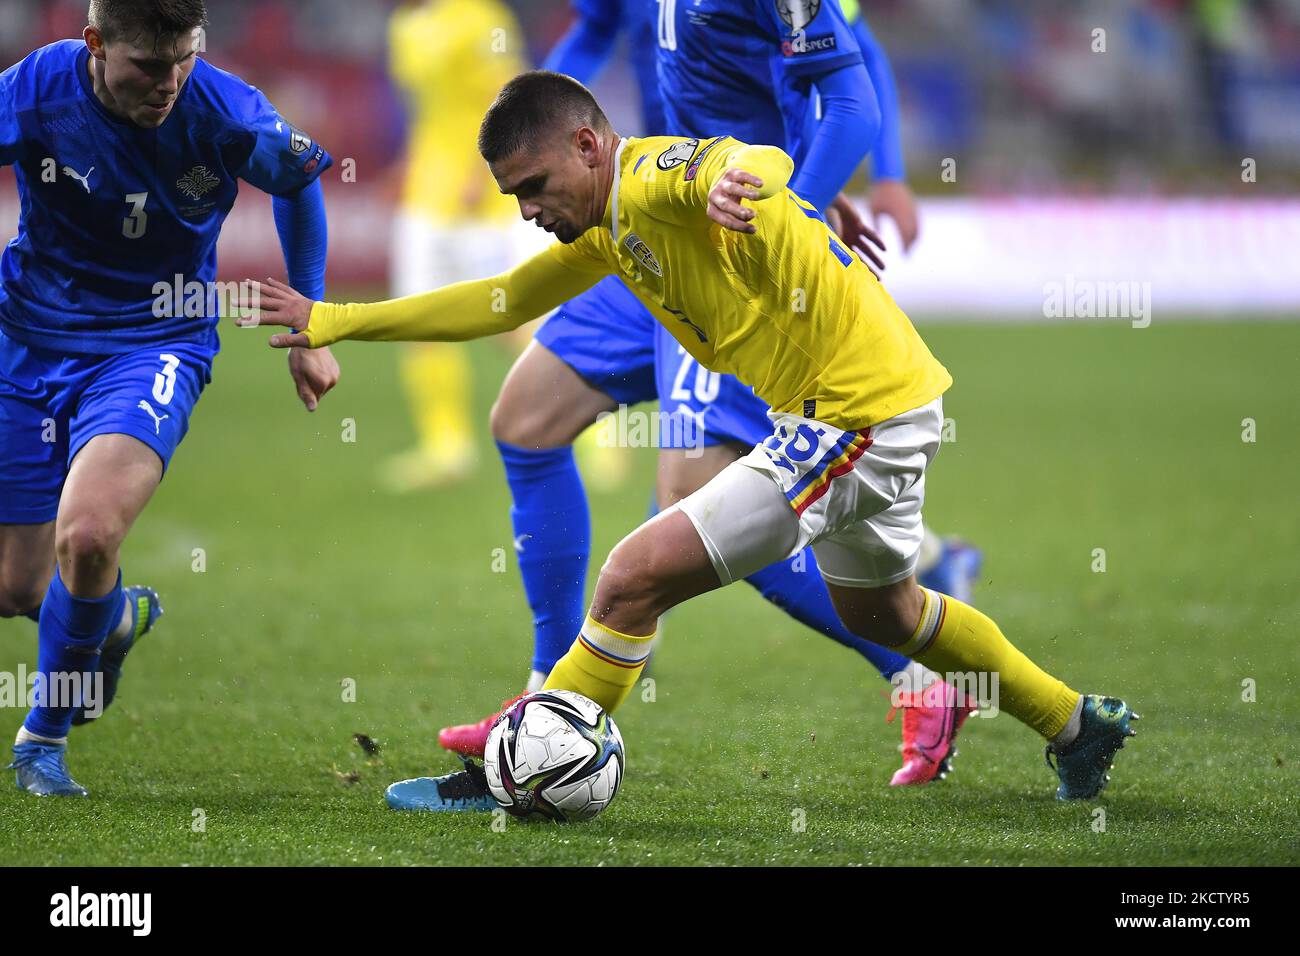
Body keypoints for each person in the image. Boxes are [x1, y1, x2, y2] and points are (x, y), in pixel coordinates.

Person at [246, 71, 1138, 809]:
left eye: (533, 187)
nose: (527, 210)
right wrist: (336, 319)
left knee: (633, 578)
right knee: (886, 613)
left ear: (588, 147)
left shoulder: (648, 178)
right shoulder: (610, 226)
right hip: (868, 411)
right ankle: (1075, 724)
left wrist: (734, 177)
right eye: (515, 197)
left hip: (854, 416)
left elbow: (742, 157)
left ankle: (532, 761)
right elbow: (504, 301)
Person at [437, 0, 982, 791]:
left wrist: (835, 187)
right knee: (526, 419)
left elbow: (852, 64)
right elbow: (592, 34)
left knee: (696, 495)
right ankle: (544, 696)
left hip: (727, 247)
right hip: (640, 221)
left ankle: (921, 677)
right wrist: (530, 138)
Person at [0, 0, 338, 796]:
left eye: (183, 58)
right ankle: (115, 617)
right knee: (17, 588)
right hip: (28, 339)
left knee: (85, 536)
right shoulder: (37, 89)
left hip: (156, 339)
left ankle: (41, 740)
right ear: (94, 46)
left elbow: (298, 183)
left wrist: (315, 320)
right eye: (148, 66)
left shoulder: (226, 111)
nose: (168, 82)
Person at [379, 0, 528, 492]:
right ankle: (447, 448)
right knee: (419, 317)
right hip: (426, 196)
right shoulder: (404, 26)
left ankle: (597, 433)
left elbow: (507, 98)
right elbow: (428, 111)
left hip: (481, 201)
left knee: (514, 322)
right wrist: (407, 163)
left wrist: (480, 168)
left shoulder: (480, 18)